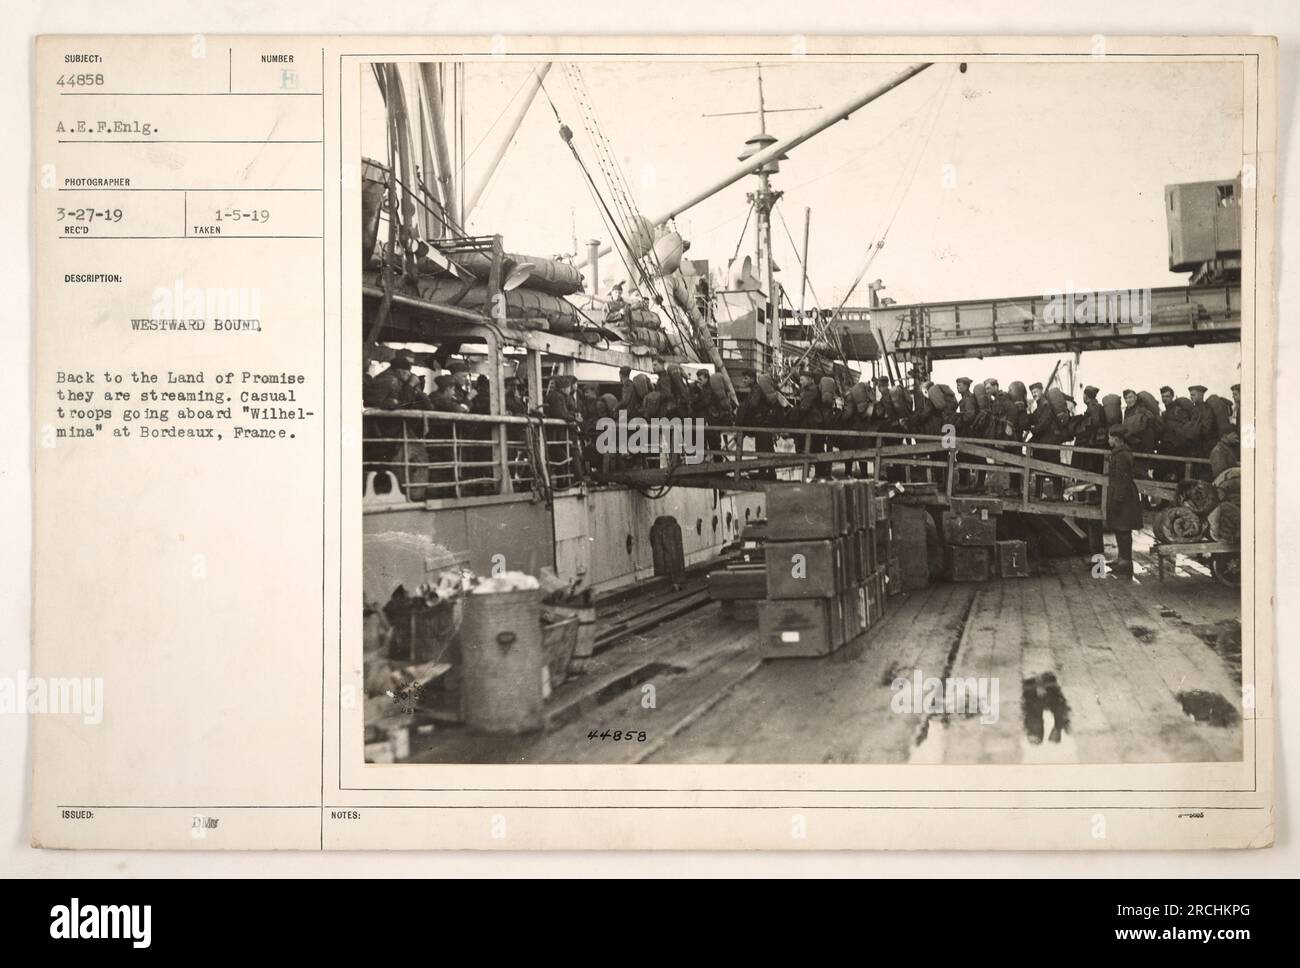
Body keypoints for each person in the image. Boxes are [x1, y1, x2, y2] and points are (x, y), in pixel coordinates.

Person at [1103, 426, 1142, 576]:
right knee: (1120, 528)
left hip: (1123, 496)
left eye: (1109, 438)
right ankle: (1122, 558)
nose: (1108, 440)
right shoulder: (1120, 454)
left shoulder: (1120, 456)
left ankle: (1126, 562)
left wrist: (1117, 499)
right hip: (1124, 495)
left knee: (1124, 528)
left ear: (1116, 439)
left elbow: (1121, 479)